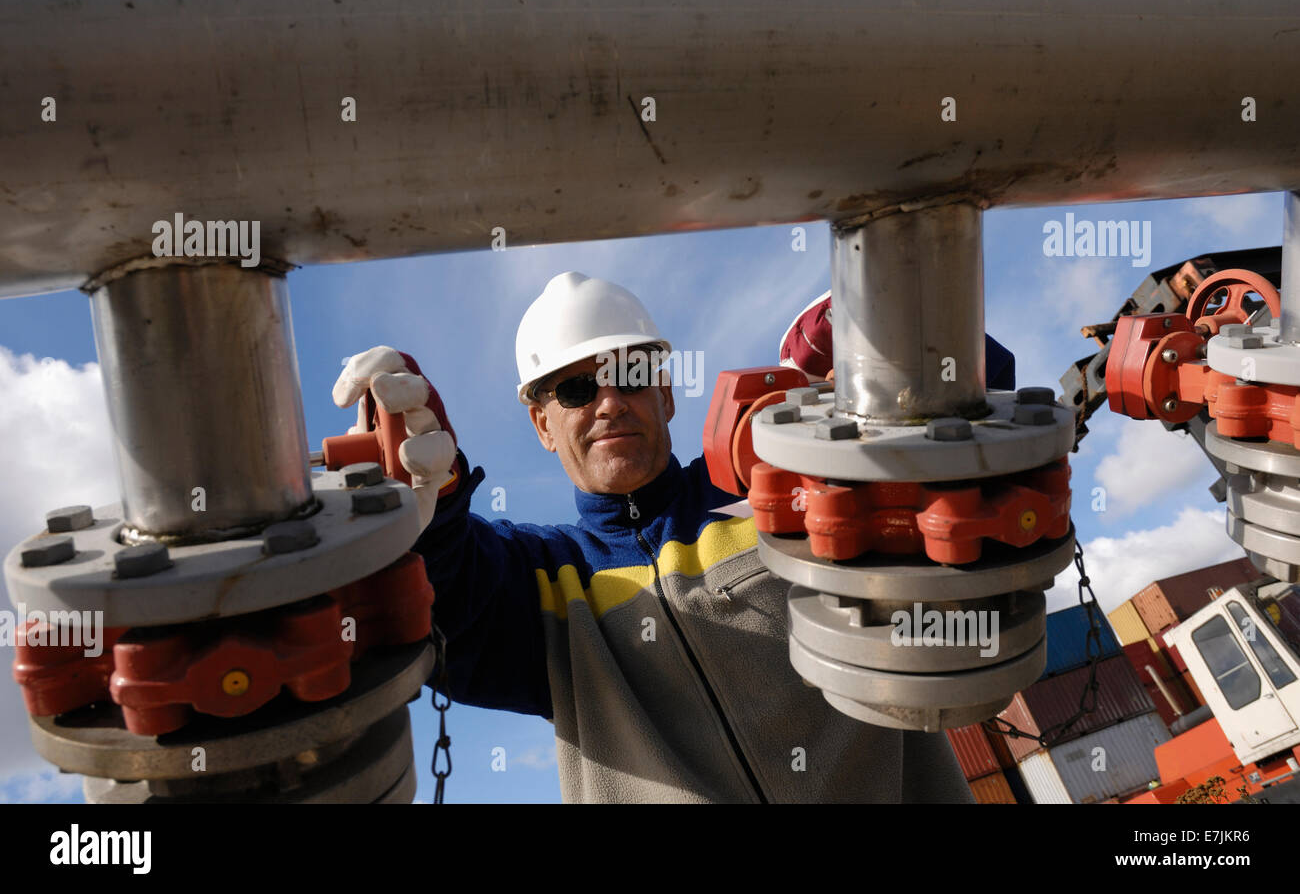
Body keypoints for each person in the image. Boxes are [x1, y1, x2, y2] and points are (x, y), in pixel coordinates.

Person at [332, 271, 987, 803]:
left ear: (666, 394)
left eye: (632, 375)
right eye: (577, 387)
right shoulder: (549, 584)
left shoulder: (768, 492)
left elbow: (932, 459)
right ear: (541, 425)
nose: (611, 400)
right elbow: (453, 594)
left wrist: (877, 356)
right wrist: (436, 499)